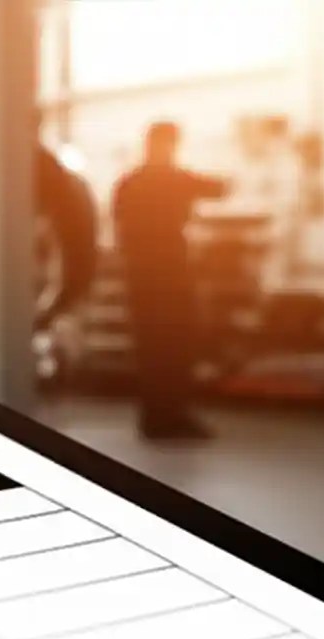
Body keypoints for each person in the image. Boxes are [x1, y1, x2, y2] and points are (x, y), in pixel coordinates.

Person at [112, 122, 228, 440]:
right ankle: (172, 417)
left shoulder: (129, 182)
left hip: (140, 276)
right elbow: (219, 188)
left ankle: (154, 418)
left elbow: (119, 227)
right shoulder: (172, 179)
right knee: (174, 346)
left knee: (151, 348)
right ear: (166, 144)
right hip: (168, 274)